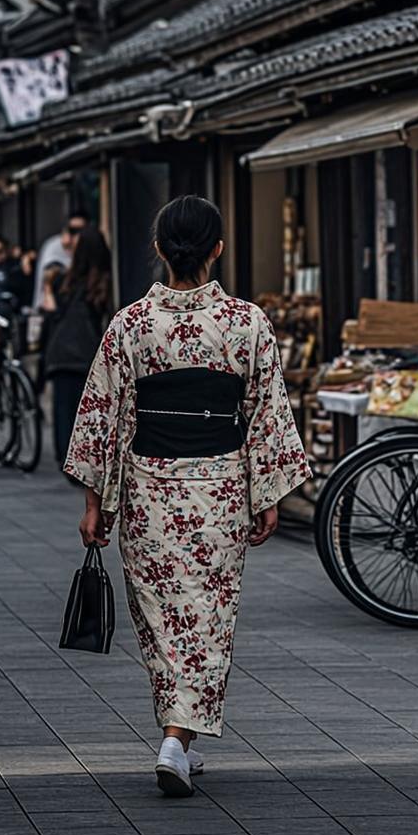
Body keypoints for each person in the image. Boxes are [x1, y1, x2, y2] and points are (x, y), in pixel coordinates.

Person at [66, 196, 308, 798]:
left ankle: (178, 738)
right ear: (217, 250)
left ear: (157, 250)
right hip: (220, 489)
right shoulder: (246, 323)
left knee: (163, 619)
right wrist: (266, 492)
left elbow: (104, 418)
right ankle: (178, 739)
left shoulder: (131, 326)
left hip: (150, 490)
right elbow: (263, 414)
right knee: (206, 620)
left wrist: (97, 503)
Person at [42, 227, 111, 471]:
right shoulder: (106, 283)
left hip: (61, 352)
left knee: (63, 407)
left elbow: (52, 312)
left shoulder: (65, 280)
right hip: (88, 353)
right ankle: (86, 459)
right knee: (89, 410)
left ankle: (66, 459)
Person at [35, 210, 89, 308]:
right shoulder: (54, 247)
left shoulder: (84, 249)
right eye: (72, 231)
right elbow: (49, 277)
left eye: (81, 231)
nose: (76, 236)